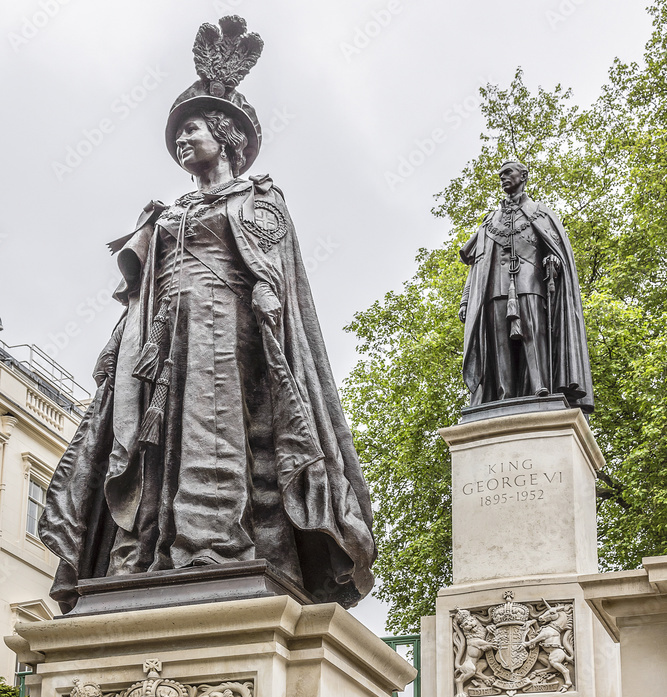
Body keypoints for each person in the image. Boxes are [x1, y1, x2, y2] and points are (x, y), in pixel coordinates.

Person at [39, 17, 376, 612]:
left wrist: (267, 304)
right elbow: (141, 289)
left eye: (192, 129)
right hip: (162, 339)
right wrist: (127, 340)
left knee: (215, 431)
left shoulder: (259, 197)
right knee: (152, 440)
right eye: (177, 134)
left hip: (228, 330)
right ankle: (149, 552)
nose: (182, 141)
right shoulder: (166, 210)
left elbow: (272, 274)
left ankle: (214, 547)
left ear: (224, 135)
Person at [458, 160, 594, 411]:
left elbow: (555, 249)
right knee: (500, 344)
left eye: (508, 173)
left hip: (531, 282)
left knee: (534, 334)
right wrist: (467, 298)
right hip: (495, 289)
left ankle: (539, 387)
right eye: (500, 175)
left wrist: (554, 259)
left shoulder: (540, 213)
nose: (503, 178)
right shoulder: (489, 221)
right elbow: (476, 264)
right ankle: (503, 395)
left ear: (524, 176)